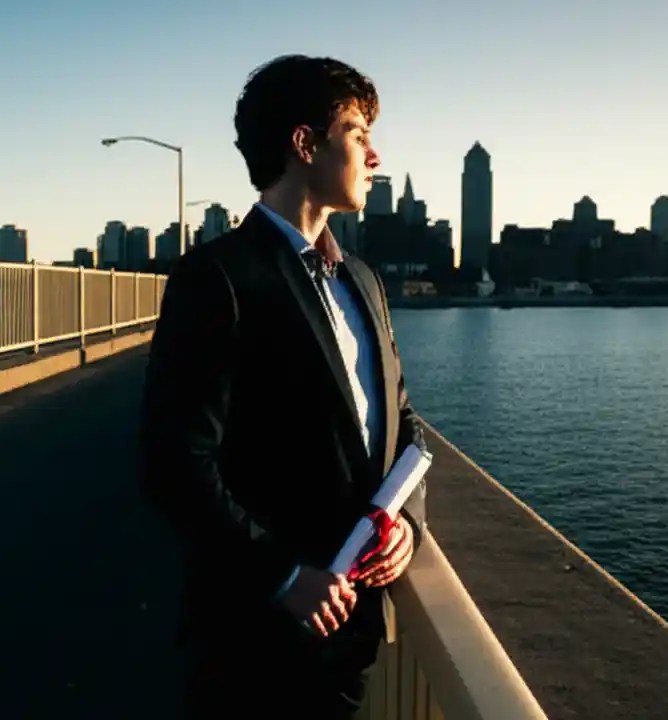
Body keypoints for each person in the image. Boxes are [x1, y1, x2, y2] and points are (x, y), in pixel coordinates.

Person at [138, 54, 427, 718]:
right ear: (305, 144)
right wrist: (283, 575)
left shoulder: (363, 280)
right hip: (251, 641)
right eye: (357, 132)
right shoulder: (216, 278)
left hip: (349, 639)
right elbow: (173, 462)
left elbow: (403, 423)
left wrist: (407, 524)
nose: (373, 154)